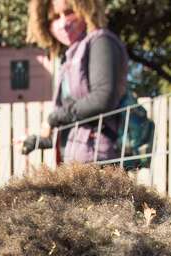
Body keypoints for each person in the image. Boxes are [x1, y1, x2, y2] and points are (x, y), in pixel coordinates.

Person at [22, 0, 129, 164]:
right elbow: (75, 124)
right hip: (76, 162)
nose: (63, 23)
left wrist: (54, 118)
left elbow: (102, 99)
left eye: (69, 12)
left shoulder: (100, 41)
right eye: (55, 17)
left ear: (86, 9)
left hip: (100, 160)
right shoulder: (70, 56)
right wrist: (37, 141)